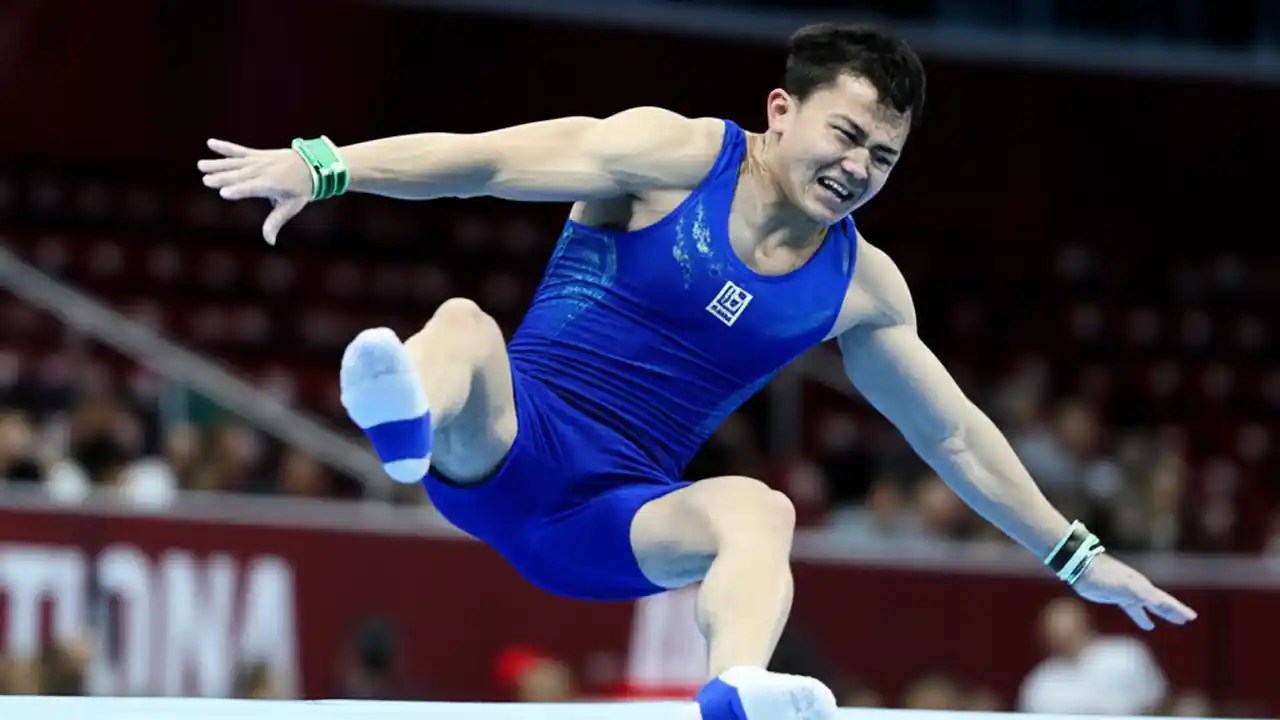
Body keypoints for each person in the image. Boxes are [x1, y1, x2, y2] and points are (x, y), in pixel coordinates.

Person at [198, 23, 1197, 720]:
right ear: (781, 109)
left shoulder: (859, 286)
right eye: (846, 134)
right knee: (462, 325)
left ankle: (735, 689)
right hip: (506, 443)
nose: (858, 167)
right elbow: (488, 162)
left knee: (759, 509)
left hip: (612, 523)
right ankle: (407, 422)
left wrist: (1076, 556)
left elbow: (952, 435)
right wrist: (327, 164)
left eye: (883, 157)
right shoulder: (675, 156)